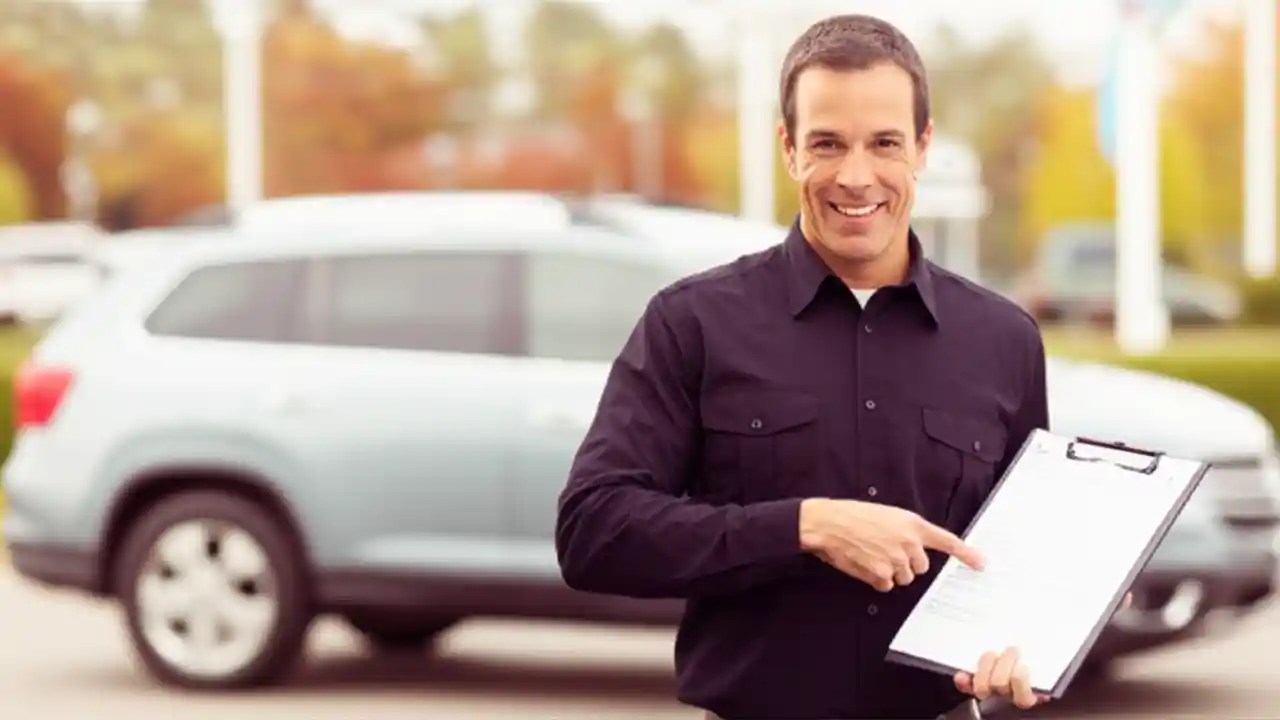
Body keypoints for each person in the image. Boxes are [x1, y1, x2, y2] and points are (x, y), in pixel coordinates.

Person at [556, 14, 1051, 720]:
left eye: (884, 143)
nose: (856, 176)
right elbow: (593, 533)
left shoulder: (1004, 340)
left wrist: (1047, 623)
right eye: (827, 144)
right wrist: (804, 527)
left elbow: (1017, 562)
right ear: (789, 150)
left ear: (923, 147)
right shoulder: (693, 322)